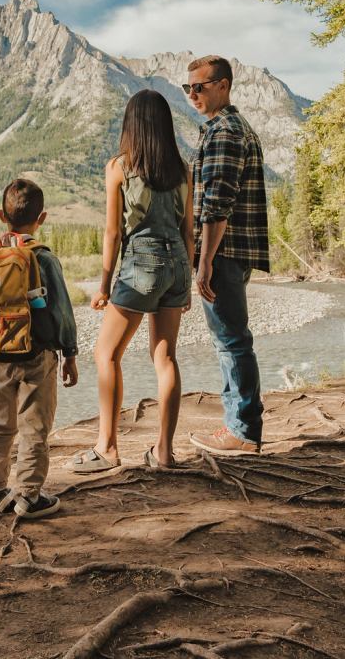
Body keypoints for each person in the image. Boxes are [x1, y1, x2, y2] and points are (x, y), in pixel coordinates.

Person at [70, 90, 194, 473]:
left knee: (106, 354)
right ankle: (164, 453)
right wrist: (186, 282)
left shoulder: (120, 167)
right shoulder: (183, 170)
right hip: (176, 264)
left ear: (132, 125)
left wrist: (104, 286)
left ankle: (107, 448)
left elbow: (112, 233)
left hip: (141, 264)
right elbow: (188, 232)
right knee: (166, 357)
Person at [0, 179, 79, 518]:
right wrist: (70, 354)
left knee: (0, 420)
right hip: (38, 354)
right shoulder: (43, 257)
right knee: (34, 425)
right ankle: (29, 496)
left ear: (1, 216)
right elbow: (61, 311)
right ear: (42, 217)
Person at [182, 55, 271, 455]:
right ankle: (239, 425)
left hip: (222, 252)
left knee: (231, 341)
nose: (192, 94)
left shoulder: (224, 132)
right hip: (231, 251)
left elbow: (217, 205)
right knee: (232, 339)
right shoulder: (230, 128)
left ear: (223, 86)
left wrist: (203, 263)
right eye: (188, 88)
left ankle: (242, 431)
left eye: (199, 87)